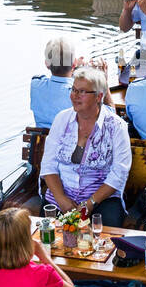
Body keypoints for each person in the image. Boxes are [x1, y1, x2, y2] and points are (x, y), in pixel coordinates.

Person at [38, 64, 132, 225]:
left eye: (82, 92)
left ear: (98, 96)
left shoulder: (116, 126)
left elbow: (119, 173)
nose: (75, 96)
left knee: (104, 236)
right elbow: (48, 165)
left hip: (101, 200)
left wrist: (89, 204)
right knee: (49, 236)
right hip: (61, 195)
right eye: (73, 90)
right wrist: (61, 200)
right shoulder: (62, 119)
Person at [30, 34, 76, 128]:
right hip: (69, 141)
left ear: (47, 64)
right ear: (74, 64)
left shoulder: (35, 85)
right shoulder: (77, 93)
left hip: (43, 141)